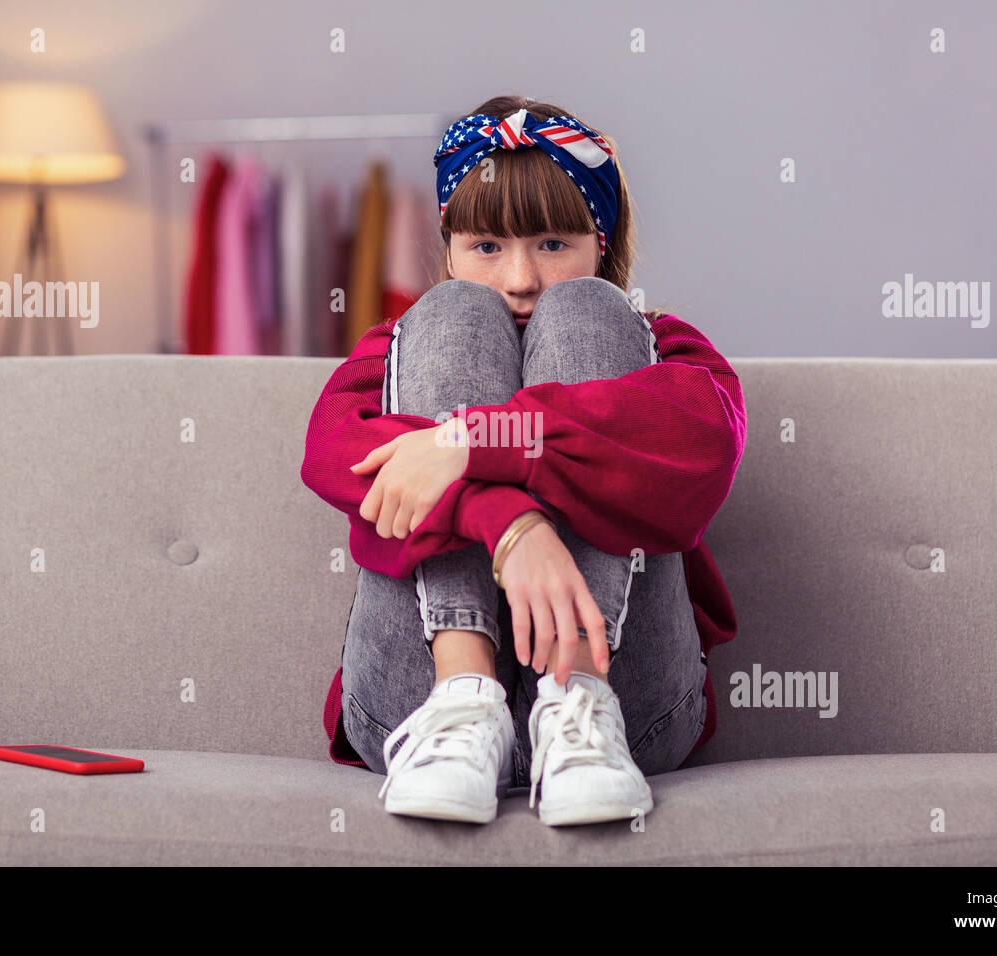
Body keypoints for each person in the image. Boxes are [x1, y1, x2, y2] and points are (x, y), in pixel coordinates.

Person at [300, 94, 747, 827]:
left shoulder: (664, 347)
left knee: (589, 312)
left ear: (601, 243)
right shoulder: (392, 355)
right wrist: (510, 523)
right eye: (486, 247)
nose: (519, 279)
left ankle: (578, 698)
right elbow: (334, 454)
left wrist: (467, 443)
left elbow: (706, 445)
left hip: (631, 708)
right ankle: (463, 696)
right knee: (450, 312)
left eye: (552, 244)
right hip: (411, 701)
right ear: (448, 249)